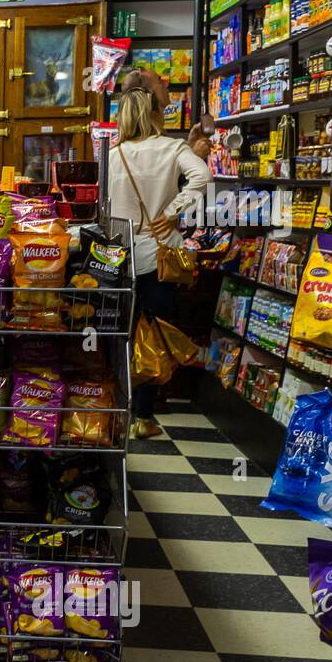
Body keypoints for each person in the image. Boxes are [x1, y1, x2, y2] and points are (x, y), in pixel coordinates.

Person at [110, 68, 212, 439]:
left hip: (120, 257)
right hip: (159, 256)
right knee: (152, 334)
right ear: (155, 112)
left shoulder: (114, 153)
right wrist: (172, 212)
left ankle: (114, 407)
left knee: (120, 333)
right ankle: (143, 415)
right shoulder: (173, 149)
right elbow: (202, 177)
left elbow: (106, 209)